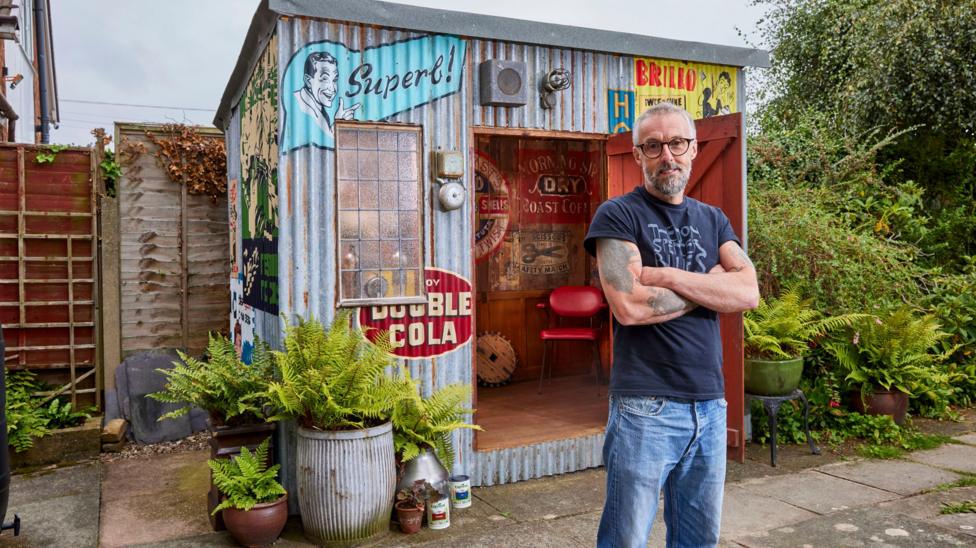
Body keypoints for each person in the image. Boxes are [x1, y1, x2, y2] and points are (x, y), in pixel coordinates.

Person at [584, 102, 759, 548]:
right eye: (654, 146)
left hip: (710, 405)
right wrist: (709, 286)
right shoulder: (617, 215)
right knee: (626, 539)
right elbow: (630, 306)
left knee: (699, 539)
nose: (668, 156)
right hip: (645, 406)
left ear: (694, 149)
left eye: (677, 143)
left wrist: (668, 276)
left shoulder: (713, 219)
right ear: (638, 153)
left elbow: (747, 293)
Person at [294, 51, 360, 138]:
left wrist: (338, 122)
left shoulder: (319, 109)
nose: (332, 89)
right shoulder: (299, 107)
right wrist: (338, 124)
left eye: (335, 80)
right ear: (308, 81)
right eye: (325, 79)